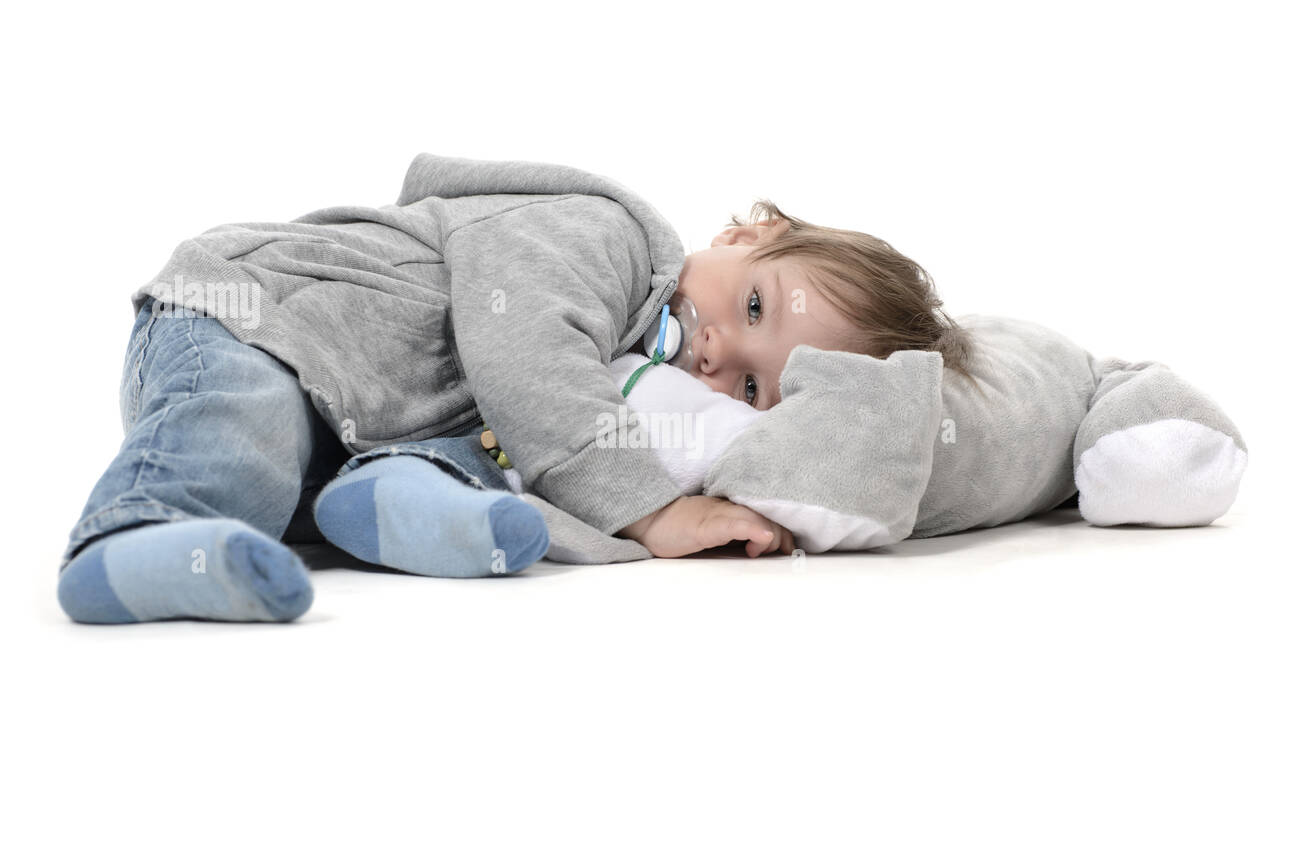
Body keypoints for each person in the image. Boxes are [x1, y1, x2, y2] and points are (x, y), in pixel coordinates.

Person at [57, 155, 964, 624]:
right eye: (755, 304)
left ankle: (386, 505)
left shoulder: (634, 379)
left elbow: (545, 443)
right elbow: (524, 349)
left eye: (758, 386)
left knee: (482, 456)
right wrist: (650, 511)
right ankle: (141, 539)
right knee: (243, 424)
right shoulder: (606, 237)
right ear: (745, 232)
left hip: (343, 430)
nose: (721, 358)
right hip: (260, 316)